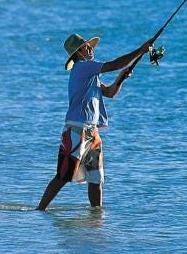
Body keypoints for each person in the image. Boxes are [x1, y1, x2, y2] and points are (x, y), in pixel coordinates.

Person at [36, 33, 155, 211]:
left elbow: (110, 93)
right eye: (86, 46)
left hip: (93, 132)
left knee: (96, 179)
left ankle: (96, 218)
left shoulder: (91, 74)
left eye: (90, 46)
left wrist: (121, 78)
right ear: (77, 53)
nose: (90, 48)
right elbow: (115, 64)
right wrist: (140, 50)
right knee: (64, 175)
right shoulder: (83, 67)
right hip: (76, 130)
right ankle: (39, 210)